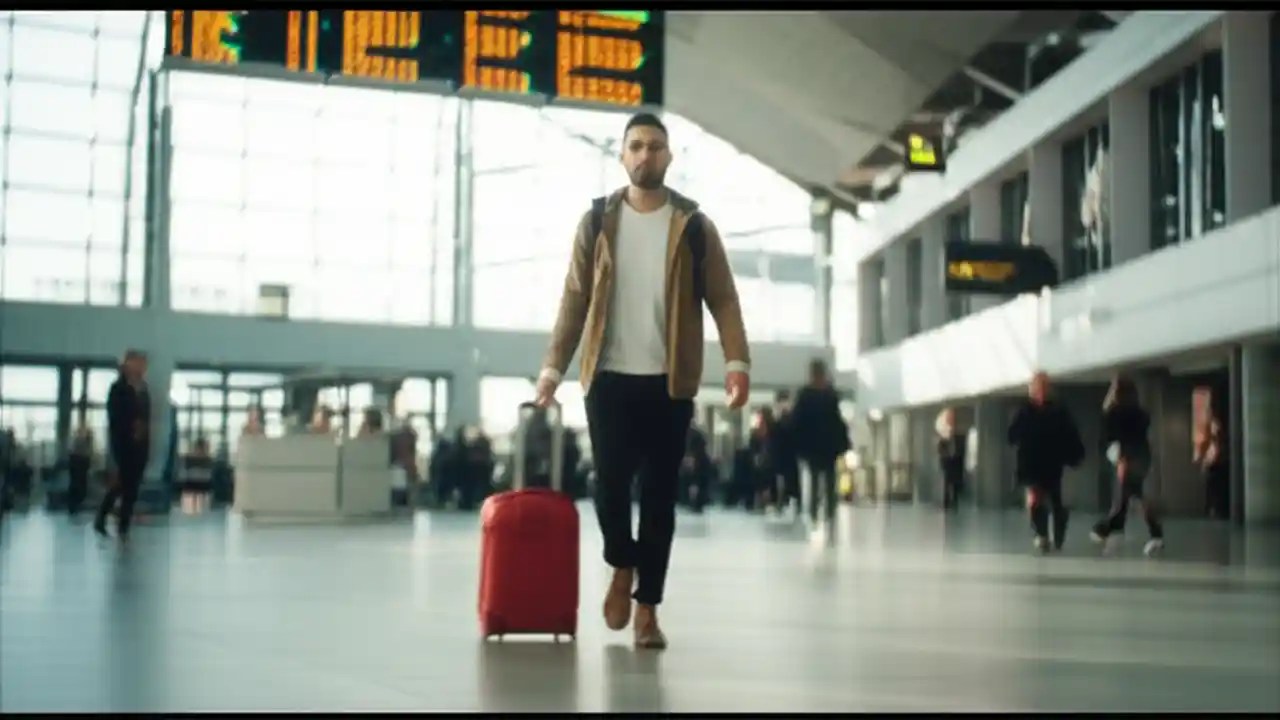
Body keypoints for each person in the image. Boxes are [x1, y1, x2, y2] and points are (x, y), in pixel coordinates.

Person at [534, 112, 751, 650]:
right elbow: (574, 298)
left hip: (669, 382)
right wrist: (551, 369)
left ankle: (647, 610)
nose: (645, 155)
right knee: (607, 485)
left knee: (659, 498)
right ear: (622, 154)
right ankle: (621, 563)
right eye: (636, 146)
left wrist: (736, 363)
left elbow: (723, 298)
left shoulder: (694, 225)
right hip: (607, 377)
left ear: (669, 157)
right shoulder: (597, 222)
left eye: (655, 146)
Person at [1007, 372, 1085, 554]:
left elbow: (1071, 434)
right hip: (1030, 461)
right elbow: (1012, 435)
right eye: (1038, 388)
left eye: (1044, 388)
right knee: (1035, 499)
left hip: (1051, 461)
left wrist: (1074, 454)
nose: (1041, 392)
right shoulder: (1024, 411)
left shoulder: (1058, 410)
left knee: (1055, 499)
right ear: (1032, 390)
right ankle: (1041, 534)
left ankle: (1059, 530)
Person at [1090, 374, 1164, 556]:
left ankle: (1110, 527)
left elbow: (1115, 438)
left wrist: (1122, 461)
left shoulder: (1114, 413)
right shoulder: (1141, 413)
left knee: (1133, 495)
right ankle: (1112, 527)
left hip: (1127, 457)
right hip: (1143, 457)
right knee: (1131, 494)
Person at [95, 349, 152, 542]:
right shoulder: (118, 388)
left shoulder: (143, 388)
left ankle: (123, 526)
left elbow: (147, 416)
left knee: (132, 486)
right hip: (123, 443)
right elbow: (115, 416)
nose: (142, 368)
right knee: (122, 483)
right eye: (139, 363)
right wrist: (130, 427)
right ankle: (103, 518)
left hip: (140, 444)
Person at [790, 359, 850, 527]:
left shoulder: (806, 395)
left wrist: (798, 444)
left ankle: (816, 513)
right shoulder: (830, 394)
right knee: (829, 480)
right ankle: (828, 513)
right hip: (828, 445)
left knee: (817, 479)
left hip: (813, 446)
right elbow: (837, 421)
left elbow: (798, 421)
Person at [771, 390, 800, 515]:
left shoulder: (788, 421)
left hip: (787, 456)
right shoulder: (782, 421)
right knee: (784, 480)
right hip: (784, 456)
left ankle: (784, 502)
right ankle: (783, 501)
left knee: (787, 480)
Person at [1195, 416, 1228, 519]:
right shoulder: (1210, 444)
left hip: (1217, 468)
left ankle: (1216, 510)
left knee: (1216, 490)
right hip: (1213, 468)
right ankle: (1213, 509)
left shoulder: (1219, 444)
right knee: (1212, 490)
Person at [935, 407, 965, 511]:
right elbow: (941, 451)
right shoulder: (943, 440)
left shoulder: (958, 438)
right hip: (948, 465)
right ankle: (947, 502)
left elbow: (960, 452)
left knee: (954, 484)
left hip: (955, 465)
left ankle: (954, 501)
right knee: (947, 484)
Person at [68, 420, 95, 516]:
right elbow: (86, 453)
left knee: (78, 485)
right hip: (79, 462)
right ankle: (75, 505)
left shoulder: (78, 441)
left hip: (78, 462)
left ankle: (75, 505)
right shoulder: (81, 441)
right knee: (79, 485)